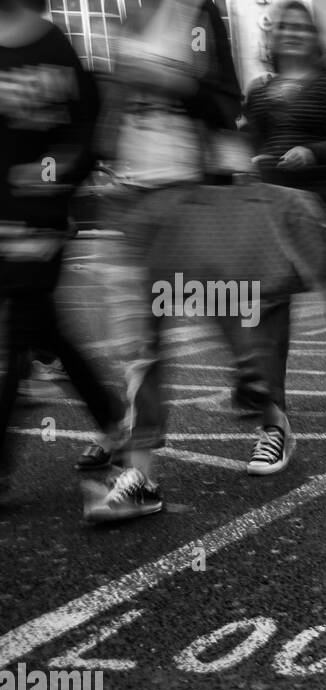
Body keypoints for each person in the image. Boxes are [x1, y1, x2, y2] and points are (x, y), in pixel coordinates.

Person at [84, 0, 292, 522]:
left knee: (233, 327)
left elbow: (222, 104)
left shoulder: (195, 14)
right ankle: (140, 475)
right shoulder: (129, 17)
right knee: (142, 339)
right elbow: (115, 109)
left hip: (193, 195)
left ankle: (275, 424)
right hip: (134, 198)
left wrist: (161, 78)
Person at [0, 0, 126, 500]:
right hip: (3, 217)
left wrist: (51, 176)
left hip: (39, 219)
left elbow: (86, 131)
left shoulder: (55, 45)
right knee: (43, 330)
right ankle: (113, 417)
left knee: (18, 332)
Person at [243, 0, 326, 403]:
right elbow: (251, 139)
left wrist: (311, 153)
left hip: (323, 205)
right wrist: (247, 160)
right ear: (274, 35)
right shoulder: (262, 89)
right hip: (273, 204)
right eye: (286, 27)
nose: (294, 34)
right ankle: (259, 385)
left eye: (303, 28)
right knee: (271, 295)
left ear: (315, 37)